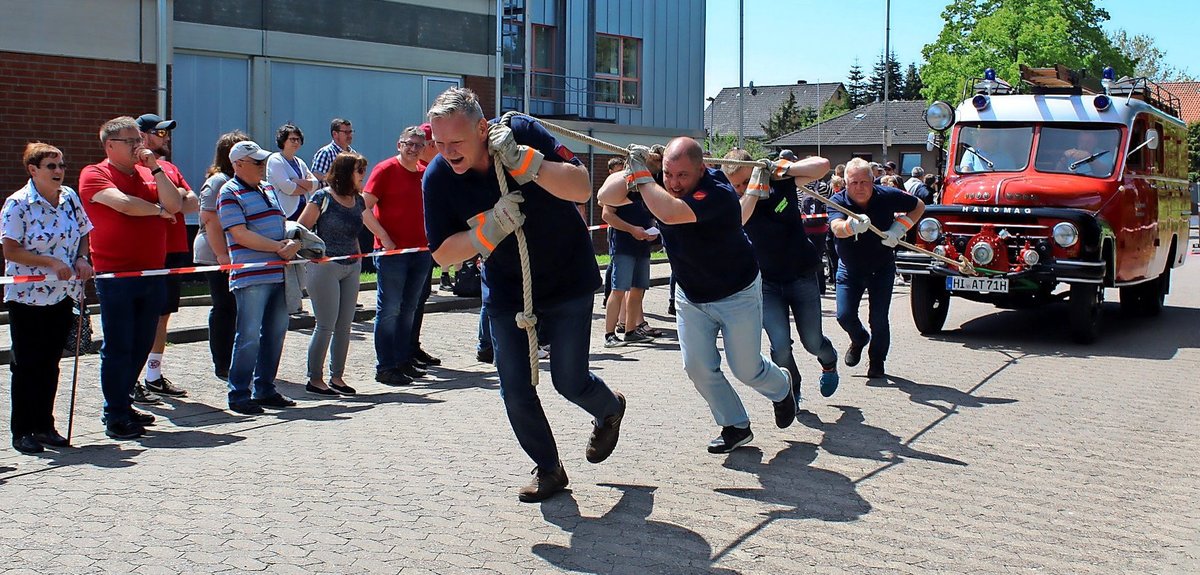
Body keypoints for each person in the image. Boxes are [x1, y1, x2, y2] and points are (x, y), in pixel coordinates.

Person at [422, 88, 625, 503]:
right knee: (514, 387)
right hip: (507, 291)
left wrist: (525, 163)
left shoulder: (521, 133)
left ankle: (609, 408)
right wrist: (489, 230)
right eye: (439, 144)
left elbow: (581, 187)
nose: (447, 152)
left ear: (482, 128)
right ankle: (548, 468)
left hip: (567, 278)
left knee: (569, 381)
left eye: (456, 143)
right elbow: (443, 253)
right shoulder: (438, 178)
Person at [598, 137, 795, 455]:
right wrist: (632, 170)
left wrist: (643, 177)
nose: (674, 184)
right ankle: (735, 425)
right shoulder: (659, 183)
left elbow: (671, 213)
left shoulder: (716, 191)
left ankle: (782, 387)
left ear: (701, 169)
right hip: (692, 295)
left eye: (682, 176)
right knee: (698, 367)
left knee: (747, 369)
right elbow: (605, 196)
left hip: (737, 293)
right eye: (668, 174)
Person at [78, 116, 184, 440]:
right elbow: (124, 205)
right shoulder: (94, 174)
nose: (139, 146)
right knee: (119, 345)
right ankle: (114, 413)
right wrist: (157, 211)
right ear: (110, 146)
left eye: (140, 139)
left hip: (151, 272)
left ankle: (124, 401)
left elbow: (176, 203)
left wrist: (154, 168)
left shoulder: (146, 173)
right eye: (131, 141)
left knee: (141, 343)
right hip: (116, 276)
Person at [723, 150, 841, 402]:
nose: (742, 188)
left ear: (757, 171)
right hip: (766, 283)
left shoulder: (780, 184)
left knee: (812, 341)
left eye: (746, 181)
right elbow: (739, 220)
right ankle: (792, 390)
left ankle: (829, 361)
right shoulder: (735, 201)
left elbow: (823, 165)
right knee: (780, 346)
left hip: (801, 274)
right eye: (736, 185)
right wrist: (751, 192)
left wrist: (781, 168)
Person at [3, 143, 94, 453]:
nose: (58, 172)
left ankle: (45, 425)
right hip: (26, 297)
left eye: (61, 166)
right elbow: (11, 249)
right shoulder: (18, 204)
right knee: (28, 363)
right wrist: (52, 263)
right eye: (51, 166)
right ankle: (23, 430)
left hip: (62, 295)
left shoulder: (69, 198)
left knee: (51, 363)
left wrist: (82, 258)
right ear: (33, 170)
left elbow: (84, 232)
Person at [217, 140, 300, 415]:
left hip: (278, 272)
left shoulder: (266, 188)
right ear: (238, 165)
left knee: (276, 333)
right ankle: (239, 393)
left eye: (264, 162)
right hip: (251, 275)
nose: (263, 167)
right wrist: (279, 247)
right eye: (258, 163)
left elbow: (279, 224)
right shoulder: (229, 192)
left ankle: (265, 387)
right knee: (249, 335)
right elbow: (239, 234)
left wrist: (293, 242)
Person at [826, 158, 926, 378]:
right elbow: (836, 228)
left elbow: (919, 206)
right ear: (845, 182)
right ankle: (859, 338)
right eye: (854, 182)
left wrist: (900, 228)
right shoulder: (836, 201)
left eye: (864, 182)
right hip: (850, 270)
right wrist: (851, 226)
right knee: (843, 316)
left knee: (879, 319)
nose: (859, 187)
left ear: (873, 180)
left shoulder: (887, 196)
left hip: (881, 268)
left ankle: (877, 361)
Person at [362, 126, 435, 386]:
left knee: (409, 309)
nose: (413, 149)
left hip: (421, 252)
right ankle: (386, 366)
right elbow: (364, 208)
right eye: (408, 144)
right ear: (399, 144)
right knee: (390, 309)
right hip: (392, 253)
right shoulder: (384, 170)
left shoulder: (425, 174)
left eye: (418, 145)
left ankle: (404, 360)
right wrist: (384, 237)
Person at [135, 113, 198, 403]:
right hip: (149, 250)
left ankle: (153, 376)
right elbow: (155, 202)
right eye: (159, 134)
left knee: (163, 316)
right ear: (142, 136)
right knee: (141, 318)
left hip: (174, 249)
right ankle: (131, 378)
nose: (166, 138)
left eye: (166, 133)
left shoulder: (169, 166)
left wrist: (174, 200)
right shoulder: (133, 168)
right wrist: (172, 201)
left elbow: (192, 201)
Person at [297, 152, 366, 396]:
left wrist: (357, 257)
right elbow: (301, 230)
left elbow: (355, 232)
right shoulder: (322, 197)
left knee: (345, 325)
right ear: (346, 172)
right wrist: (313, 255)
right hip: (325, 267)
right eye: (359, 171)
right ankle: (314, 378)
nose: (362, 177)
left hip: (351, 266)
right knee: (325, 325)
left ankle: (337, 376)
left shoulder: (358, 200)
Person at [194, 131, 250, 381]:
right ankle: (222, 362)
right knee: (224, 307)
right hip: (217, 253)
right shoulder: (218, 182)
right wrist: (222, 255)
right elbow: (209, 219)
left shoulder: (238, 181)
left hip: (235, 251)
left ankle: (236, 357)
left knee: (235, 307)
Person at [600, 152, 658, 348]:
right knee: (618, 290)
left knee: (638, 290)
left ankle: (631, 331)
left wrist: (651, 231)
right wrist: (632, 230)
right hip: (624, 246)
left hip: (642, 246)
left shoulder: (646, 186)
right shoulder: (620, 185)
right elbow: (607, 215)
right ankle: (609, 334)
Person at [266, 123, 320, 316]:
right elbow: (286, 187)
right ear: (283, 141)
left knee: (301, 258)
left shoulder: (299, 162)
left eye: (298, 139)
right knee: (287, 258)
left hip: (301, 215)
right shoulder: (275, 160)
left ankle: (298, 299)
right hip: (284, 216)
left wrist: (300, 183)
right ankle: (289, 303)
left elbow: (315, 184)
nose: (296, 143)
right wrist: (301, 185)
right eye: (292, 139)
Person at [310, 118, 355, 183]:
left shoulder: (353, 154)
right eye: (346, 132)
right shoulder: (326, 153)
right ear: (335, 134)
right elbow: (316, 178)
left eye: (351, 132)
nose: (349, 135)